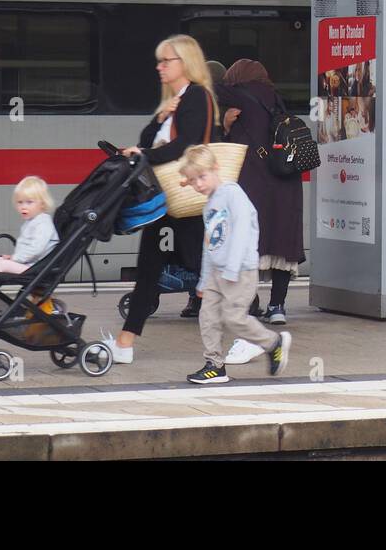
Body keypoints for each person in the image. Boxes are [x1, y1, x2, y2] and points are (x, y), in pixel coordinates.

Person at [106, 34, 219, 364]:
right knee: (149, 267)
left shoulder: (197, 97)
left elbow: (185, 147)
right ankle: (126, 342)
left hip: (187, 198)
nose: (159, 66)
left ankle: (256, 334)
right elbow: (150, 140)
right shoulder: (174, 101)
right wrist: (158, 120)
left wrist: (142, 154)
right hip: (168, 198)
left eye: (165, 61)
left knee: (205, 266)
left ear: (186, 63)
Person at [181, 145, 290, 383]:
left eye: (202, 176)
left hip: (240, 271)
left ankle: (273, 342)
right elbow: (209, 244)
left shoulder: (233, 194)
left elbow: (242, 231)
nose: (198, 184)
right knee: (208, 317)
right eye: (192, 181)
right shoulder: (208, 205)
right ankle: (214, 365)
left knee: (234, 318)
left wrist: (231, 267)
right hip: (216, 273)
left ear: (216, 168)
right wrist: (203, 279)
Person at [217, 59, 306, 328]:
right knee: (282, 242)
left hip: (254, 182)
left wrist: (225, 126)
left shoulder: (237, 94)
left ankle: (250, 302)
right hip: (287, 181)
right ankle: (277, 306)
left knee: (249, 242)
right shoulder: (276, 98)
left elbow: (207, 87)